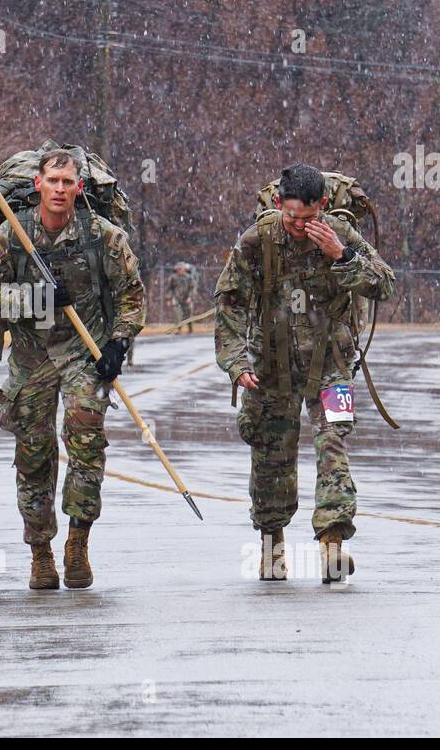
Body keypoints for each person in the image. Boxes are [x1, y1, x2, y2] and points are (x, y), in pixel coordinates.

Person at [214, 163, 394, 583]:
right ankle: (272, 548)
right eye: (292, 217)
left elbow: (383, 284)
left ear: (323, 205)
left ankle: (333, 544)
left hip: (330, 365)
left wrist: (341, 256)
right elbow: (229, 304)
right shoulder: (257, 241)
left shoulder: (340, 235)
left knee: (333, 442)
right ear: (279, 204)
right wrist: (236, 363)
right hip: (270, 367)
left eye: (308, 218)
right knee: (270, 454)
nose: (299, 226)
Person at [0, 148, 145, 590]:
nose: (60, 190)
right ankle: (40, 551)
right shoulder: (12, 236)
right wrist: (36, 300)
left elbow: (131, 296)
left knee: (87, 445)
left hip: (81, 354)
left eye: (68, 183)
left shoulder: (102, 236)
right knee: (33, 458)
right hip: (31, 359)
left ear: (78, 188)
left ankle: (78, 542)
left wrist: (118, 342)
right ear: (38, 185)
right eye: (53, 181)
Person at [166, 261, 199, 333]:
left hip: (187, 298)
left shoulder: (189, 278)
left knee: (188, 314)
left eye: (180, 269)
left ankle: (190, 329)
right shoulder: (173, 278)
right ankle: (178, 330)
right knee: (177, 314)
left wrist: (190, 297)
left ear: (184, 269)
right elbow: (169, 288)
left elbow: (193, 288)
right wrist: (168, 299)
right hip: (176, 298)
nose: (179, 270)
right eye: (178, 269)